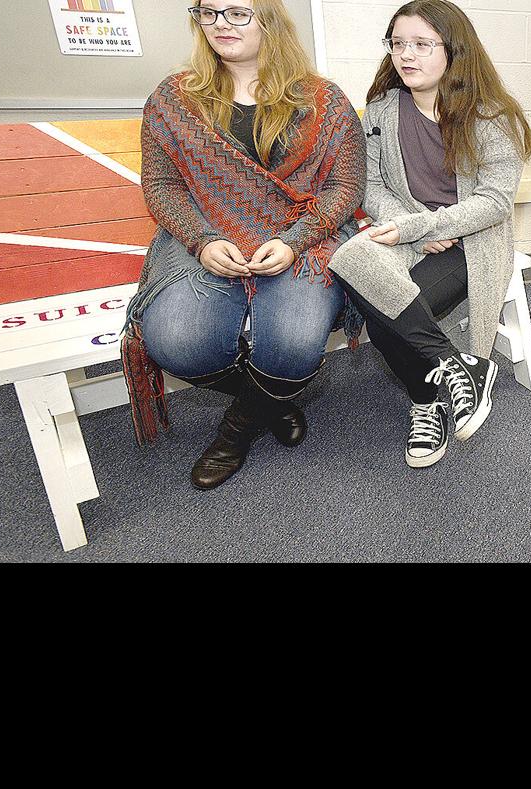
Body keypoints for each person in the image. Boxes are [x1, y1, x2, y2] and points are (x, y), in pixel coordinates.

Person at [120, 0, 366, 489]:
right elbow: (162, 186)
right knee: (178, 342)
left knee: (295, 347)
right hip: (207, 237)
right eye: (207, 13)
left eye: (236, 12)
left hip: (300, 234)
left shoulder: (322, 100)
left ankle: (239, 427)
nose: (219, 25)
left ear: (268, 19)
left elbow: (346, 185)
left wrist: (295, 241)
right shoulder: (173, 99)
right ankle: (272, 404)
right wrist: (201, 239)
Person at [326, 0, 531, 468]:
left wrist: (424, 226)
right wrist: (410, 225)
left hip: (471, 240)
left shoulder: (491, 116)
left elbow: (496, 203)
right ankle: (460, 368)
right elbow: (372, 185)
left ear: (454, 50)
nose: (406, 55)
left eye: (421, 44)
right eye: (398, 44)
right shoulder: (381, 110)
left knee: (383, 312)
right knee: (352, 259)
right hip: (407, 230)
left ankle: (425, 401)